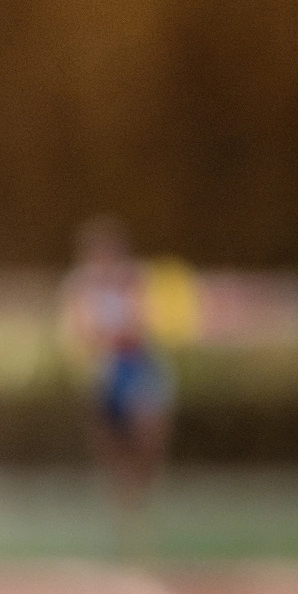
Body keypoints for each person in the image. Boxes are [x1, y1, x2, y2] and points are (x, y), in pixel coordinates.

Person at [62, 216, 174, 556]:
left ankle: (138, 508)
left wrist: (114, 334)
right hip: (104, 373)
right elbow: (82, 332)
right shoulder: (80, 286)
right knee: (112, 449)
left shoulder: (134, 279)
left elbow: (142, 326)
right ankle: (125, 514)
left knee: (148, 432)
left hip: (135, 368)